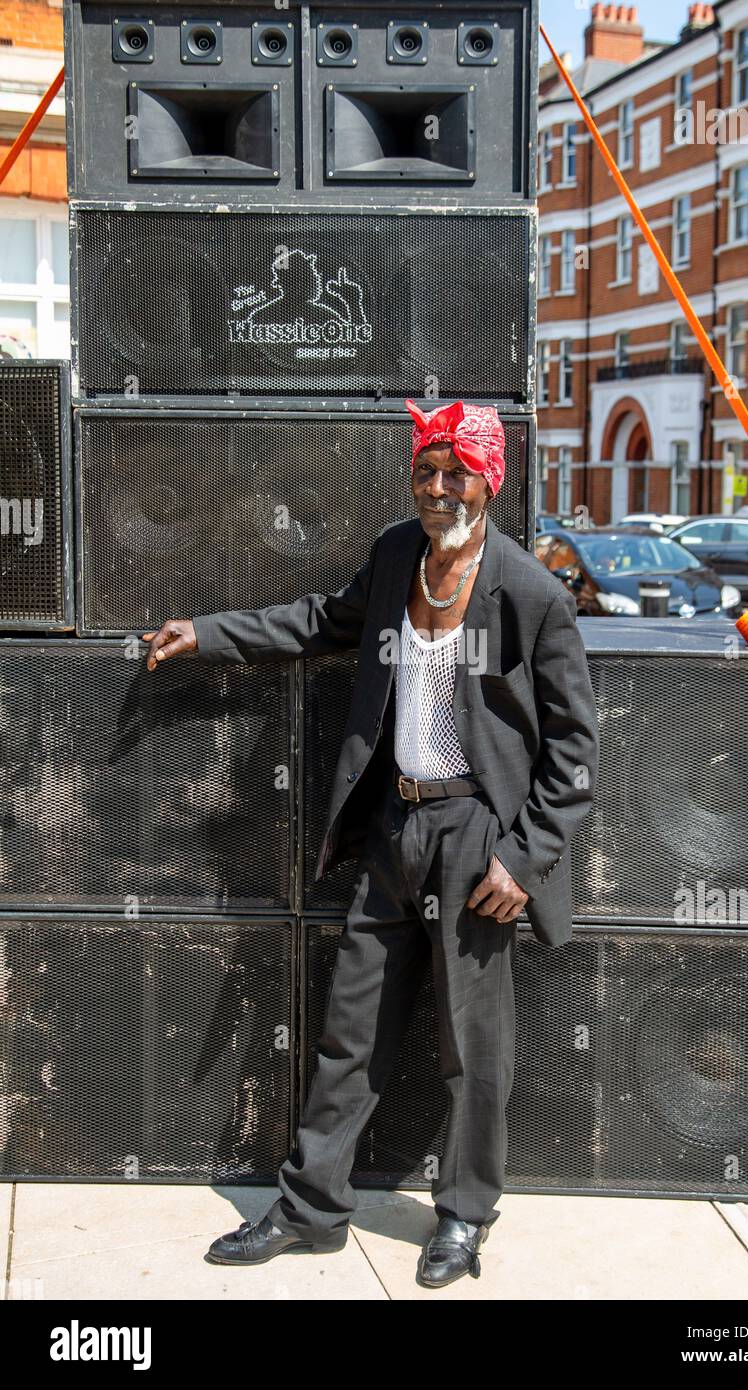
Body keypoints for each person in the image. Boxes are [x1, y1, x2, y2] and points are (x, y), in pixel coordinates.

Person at [143, 397, 600, 1288]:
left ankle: (464, 1218)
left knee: (473, 1047)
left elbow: (575, 748)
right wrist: (207, 634)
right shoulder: (397, 555)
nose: (436, 489)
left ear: (488, 479)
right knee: (350, 1031)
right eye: (424, 471)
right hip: (394, 826)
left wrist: (526, 854)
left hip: (477, 838)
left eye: (453, 472)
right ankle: (312, 1211)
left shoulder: (534, 595)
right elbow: (319, 621)